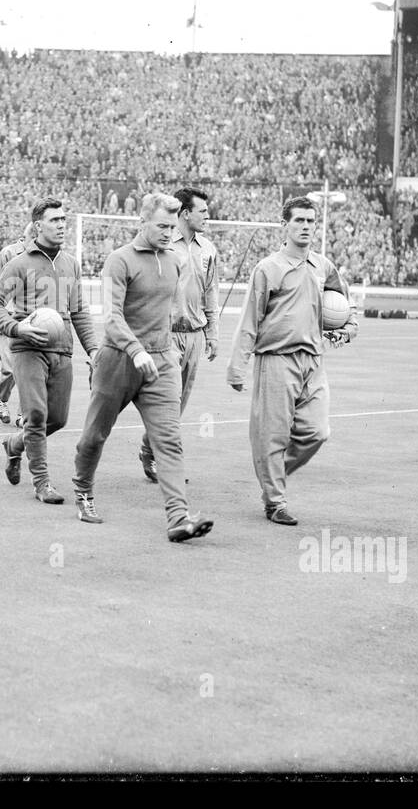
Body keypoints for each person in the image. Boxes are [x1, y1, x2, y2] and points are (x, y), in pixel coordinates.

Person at [71, 192, 211, 543]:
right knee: (94, 436)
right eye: (161, 225)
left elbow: (168, 310)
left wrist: (170, 347)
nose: (168, 232)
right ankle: (84, 492)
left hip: (161, 361)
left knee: (169, 440)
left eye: (172, 225)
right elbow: (112, 318)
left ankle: (179, 519)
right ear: (142, 222)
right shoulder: (119, 260)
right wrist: (135, 350)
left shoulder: (176, 261)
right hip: (118, 360)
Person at [226, 195, 359, 526]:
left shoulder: (323, 266)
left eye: (311, 221)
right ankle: (275, 500)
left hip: (314, 360)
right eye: (298, 220)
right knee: (273, 434)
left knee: (317, 431)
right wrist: (237, 365)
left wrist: (350, 327)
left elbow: (344, 302)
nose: (305, 226)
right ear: (283, 226)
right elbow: (249, 320)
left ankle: (272, 476)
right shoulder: (268, 269)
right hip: (276, 359)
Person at [0, 199, 98, 507]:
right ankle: (42, 482)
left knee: (58, 419)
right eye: (55, 220)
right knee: (35, 414)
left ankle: (15, 443)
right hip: (27, 349)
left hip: (62, 349)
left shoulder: (71, 264)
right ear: (38, 226)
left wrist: (94, 351)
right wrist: (16, 328)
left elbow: (79, 311)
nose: (62, 225)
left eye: (64, 219)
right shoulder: (19, 264)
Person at [137, 186, 220, 484]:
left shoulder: (209, 249)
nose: (208, 216)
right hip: (166, 336)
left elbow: (211, 292)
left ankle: (149, 449)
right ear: (185, 213)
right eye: (202, 211)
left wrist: (213, 334)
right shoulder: (161, 244)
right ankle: (166, 461)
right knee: (167, 403)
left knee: (179, 404)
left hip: (195, 336)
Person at [0, 221, 35, 426]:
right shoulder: (8, 254)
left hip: (31, 321)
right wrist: (1, 316)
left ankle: (21, 414)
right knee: (9, 368)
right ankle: (2, 398)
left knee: (28, 369)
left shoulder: (43, 258)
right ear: (26, 238)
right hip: (9, 321)